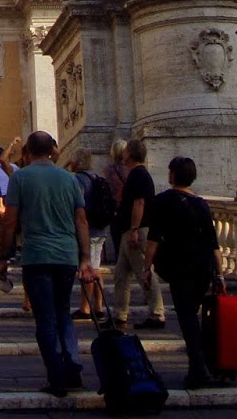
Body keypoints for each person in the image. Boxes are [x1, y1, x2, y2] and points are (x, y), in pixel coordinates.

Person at [0, 130, 95, 398]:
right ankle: (73, 367)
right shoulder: (69, 178)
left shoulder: (21, 178)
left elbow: (10, 220)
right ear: (52, 151)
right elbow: (81, 220)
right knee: (64, 312)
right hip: (66, 256)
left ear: (27, 152)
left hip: (37, 256)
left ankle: (56, 376)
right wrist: (85, 259)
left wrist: (3, 257)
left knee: (45, 318)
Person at [145, 157, 226, 391]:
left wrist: (146, 267)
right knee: (191, 315)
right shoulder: (201, 204)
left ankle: (199, 369)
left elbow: (153, 239)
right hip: (202, 267)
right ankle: (198, 366)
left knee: (187, 318)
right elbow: (214, 245)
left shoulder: (162, 202)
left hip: (179, 266)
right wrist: (219, 276)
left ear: (172, 176)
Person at [110, 138, 165, 330]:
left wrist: (134, 229)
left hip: (136, 231)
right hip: (130, 231)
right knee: (121, 274)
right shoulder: (138, 174)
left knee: (144, 271)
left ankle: (157, 313)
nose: (123, 154)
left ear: (130, 154)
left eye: (125, 152)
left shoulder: (138, 175)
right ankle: (119, 314)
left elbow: (139, 203)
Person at [67, 153, 109, 321]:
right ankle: (98, 306)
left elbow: (78, 205)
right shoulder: (96, 177)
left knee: (87, 269)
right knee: (96, 268)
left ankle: (85, 307)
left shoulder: (78, 180)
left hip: (88, 230)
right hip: (100, 229)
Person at [99, 140, 129, 266]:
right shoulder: (131, 169)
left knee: (117, 240)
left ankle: (120, 261)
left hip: (115, 210)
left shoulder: (108, 170)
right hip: (129, 209)